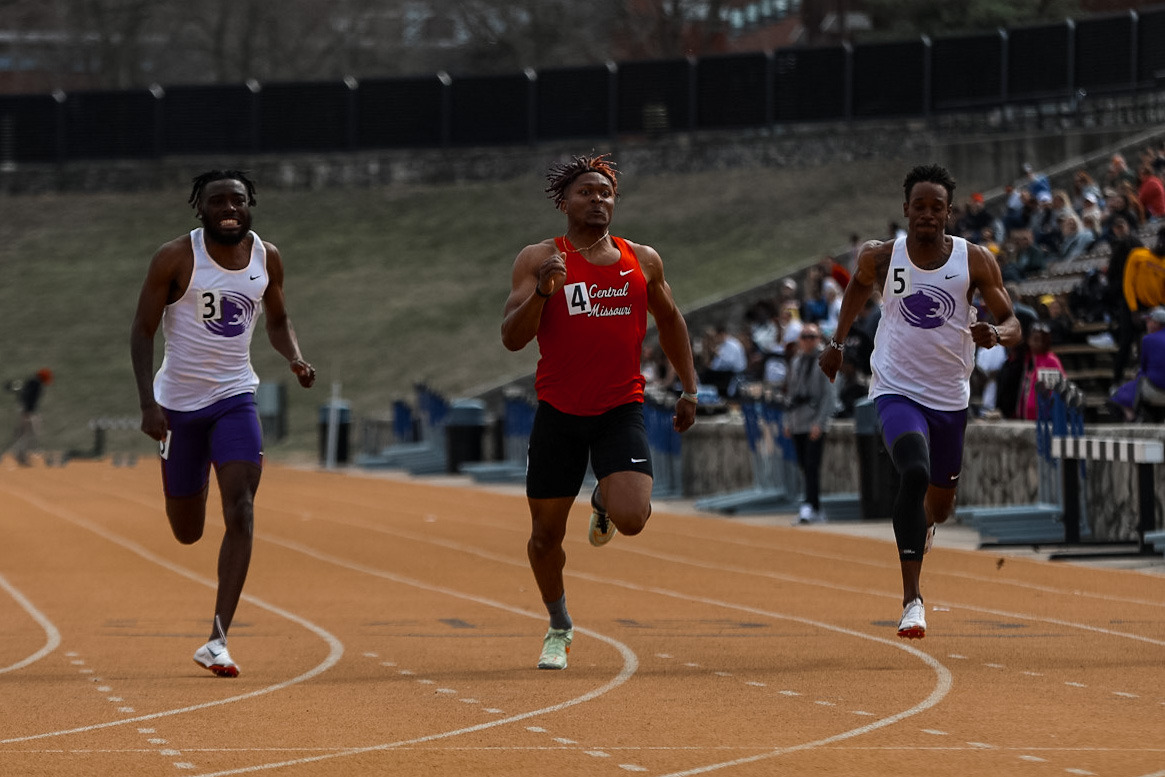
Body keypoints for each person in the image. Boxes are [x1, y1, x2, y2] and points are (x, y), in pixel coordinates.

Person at [500, 154, 699, 670]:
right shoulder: (540, 258)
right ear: (564, 202)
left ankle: (606, 501)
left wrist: (690, 389)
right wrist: (544, 291)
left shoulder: (643, 259)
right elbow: (511, 339)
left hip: (619, 407)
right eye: (586, 192)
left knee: (633, 518)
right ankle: (559, 625)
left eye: (606, 192)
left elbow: (672, 320)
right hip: (559, 413)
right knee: (545, 537)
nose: (598, 200)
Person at [819, 164, 1021, 640]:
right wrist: (838, 342)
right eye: (919, 207)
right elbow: (857, 289)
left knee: (941, 505)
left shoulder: (975, 261)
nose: (927, 215)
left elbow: (1014, 322)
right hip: (896, 388)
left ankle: (925, 523)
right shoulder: (882, 257)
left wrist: (995, 333)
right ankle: (913, 600)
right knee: (912, 470)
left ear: (950, 213)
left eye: (937, 208)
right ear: (905, 211)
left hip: (950, 396)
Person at [129, 170, 316, 677]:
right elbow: (143, 331)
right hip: (178, 407)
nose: (228, 208)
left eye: (237, 199)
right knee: (187, 532)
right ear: (201, 209)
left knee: (242, 507)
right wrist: (149, 404)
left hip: (235, 397)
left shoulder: (265, 257)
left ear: (250, 204)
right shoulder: (175, 258)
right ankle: (193, 476)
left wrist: (294, 358)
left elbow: (277, 319)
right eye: (217, 201)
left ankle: (217, 638)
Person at [783, 324, 837, 524]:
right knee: (804, 466)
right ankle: (812, 504)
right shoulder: (796, 362)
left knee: (812, 465)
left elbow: (829, 396)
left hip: (813, 419)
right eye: (804, 336)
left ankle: (811, 505)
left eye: (811, 336)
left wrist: (820, 422)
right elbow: (790, 394)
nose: (808, 340)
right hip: (798, 419)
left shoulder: (824, 361)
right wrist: (788, 420)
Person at [1109, 307, 1165, 420]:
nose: (1147, 324)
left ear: (1156, 323)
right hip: (1157, 385)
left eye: (1149, 321)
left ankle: (1131, 416)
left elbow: (1144, 368)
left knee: (1131, 386)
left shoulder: (1148, 339)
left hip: (1156, 388)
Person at [4, 368, 53, 466]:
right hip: (28, 413)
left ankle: (21, 456)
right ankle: (21, 457)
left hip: (26, 411)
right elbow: (29, 398)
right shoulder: (36, 385)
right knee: (28, 435)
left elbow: (24, 395)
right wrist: (27, 412)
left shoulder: (32, 382)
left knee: (24, 435)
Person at [1017, 323, 1066, 420]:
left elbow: (1057, 390)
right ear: (1029, 340)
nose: (1039, 343)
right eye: (1035, 339)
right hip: (1027, 416)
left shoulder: (1051, 360)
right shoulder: (1028, 359)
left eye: (1043, 340)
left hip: (1044, 417)